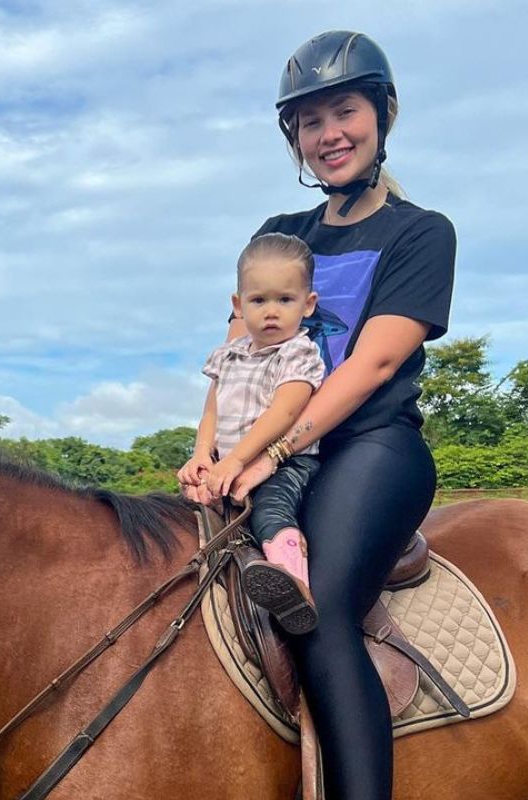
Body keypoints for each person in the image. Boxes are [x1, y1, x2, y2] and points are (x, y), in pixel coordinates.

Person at [185, 30, 455, 800]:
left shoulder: (420, 233)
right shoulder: (283, 236)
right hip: (271, 452)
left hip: (369, 448)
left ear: (383, 115)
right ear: (295, 139)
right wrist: (213, 452)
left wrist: (272, 454)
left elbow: (370, 365)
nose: (329, 134)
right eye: (310, 122)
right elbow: (235, 358)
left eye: (346, 111)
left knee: (321, 608)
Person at [177, 232, 325, 635]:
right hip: (228, 462)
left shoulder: (299, 352)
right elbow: (213, 408)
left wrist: (239, 459)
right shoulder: (228, 355)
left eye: (285, 300)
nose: (271, 312)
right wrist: (202, 455)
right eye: (259, 301)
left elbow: (285, 410)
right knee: (187, 512)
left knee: (270, 510)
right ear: (239, 306)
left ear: (307, 304)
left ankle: (291, 582)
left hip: (284, 463)